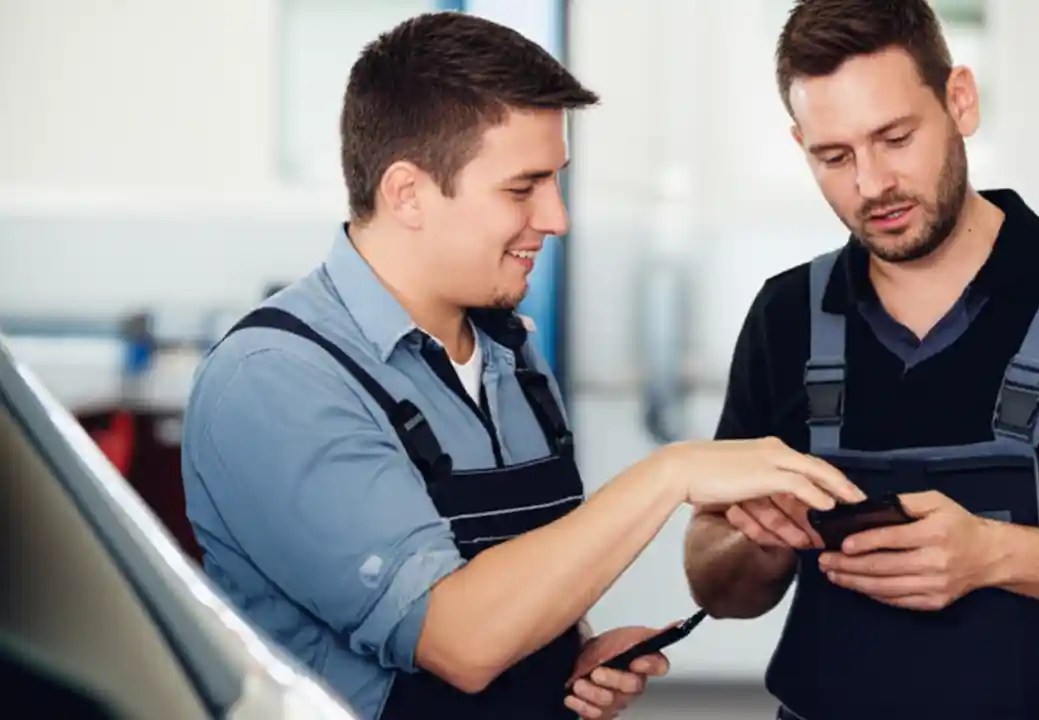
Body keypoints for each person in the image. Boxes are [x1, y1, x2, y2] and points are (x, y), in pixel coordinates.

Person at [180, 12, 860, 720]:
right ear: (407, 192)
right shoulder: (275, 379)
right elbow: (461, 640)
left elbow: (515, 599)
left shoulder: (510, 354)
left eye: (556, 181)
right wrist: (674, 471)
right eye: (522, 187)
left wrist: (567, 661)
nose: (557, 217)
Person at [682, 1, 1039, 718]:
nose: (872, 183)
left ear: (960, 101)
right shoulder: (786, 314)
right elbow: (715, 583)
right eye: (835, 156)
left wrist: (994, 554)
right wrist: (754, 548)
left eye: (895, 138)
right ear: (801, 146)